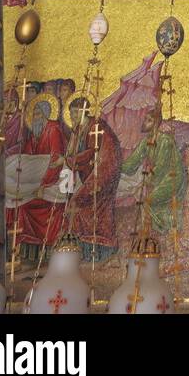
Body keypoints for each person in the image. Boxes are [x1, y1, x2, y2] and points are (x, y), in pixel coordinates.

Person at [62, 97, 122, 262]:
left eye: (75, 112)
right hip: (93, 172)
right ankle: (88, 253)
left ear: (83, 111)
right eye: (70, 113)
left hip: (104, 172)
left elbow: (91, 152)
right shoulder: (81, 129)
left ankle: (103, 251)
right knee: (85, 208)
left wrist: (69, 160)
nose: (72, 116)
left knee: (83, 204)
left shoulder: (96, 127)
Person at [16, 94, 67, 259]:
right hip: (39, 181)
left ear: (46, 114)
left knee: (31, 204)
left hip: (55, 181)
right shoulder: (35, 133)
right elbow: (30, 157)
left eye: (38, 114)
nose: (35, 117)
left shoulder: (53, 130)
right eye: (34, 114)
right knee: (22, 204)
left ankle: (46, 253)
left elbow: (56, 160)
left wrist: (43, 185)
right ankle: (30, 255)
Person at [120, 108, 186, 236]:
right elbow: (131, 163)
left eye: (149, 120)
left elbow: (161, 167)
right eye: (145, 119)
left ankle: (169, 227)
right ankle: (161, 229)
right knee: (147, 201)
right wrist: (116, 166)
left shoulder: (165, 140)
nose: (144, 122)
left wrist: (144, 184)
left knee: (148, 201)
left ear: (156, 124)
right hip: (160, 178)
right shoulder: (146, 142)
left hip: (172, 177)